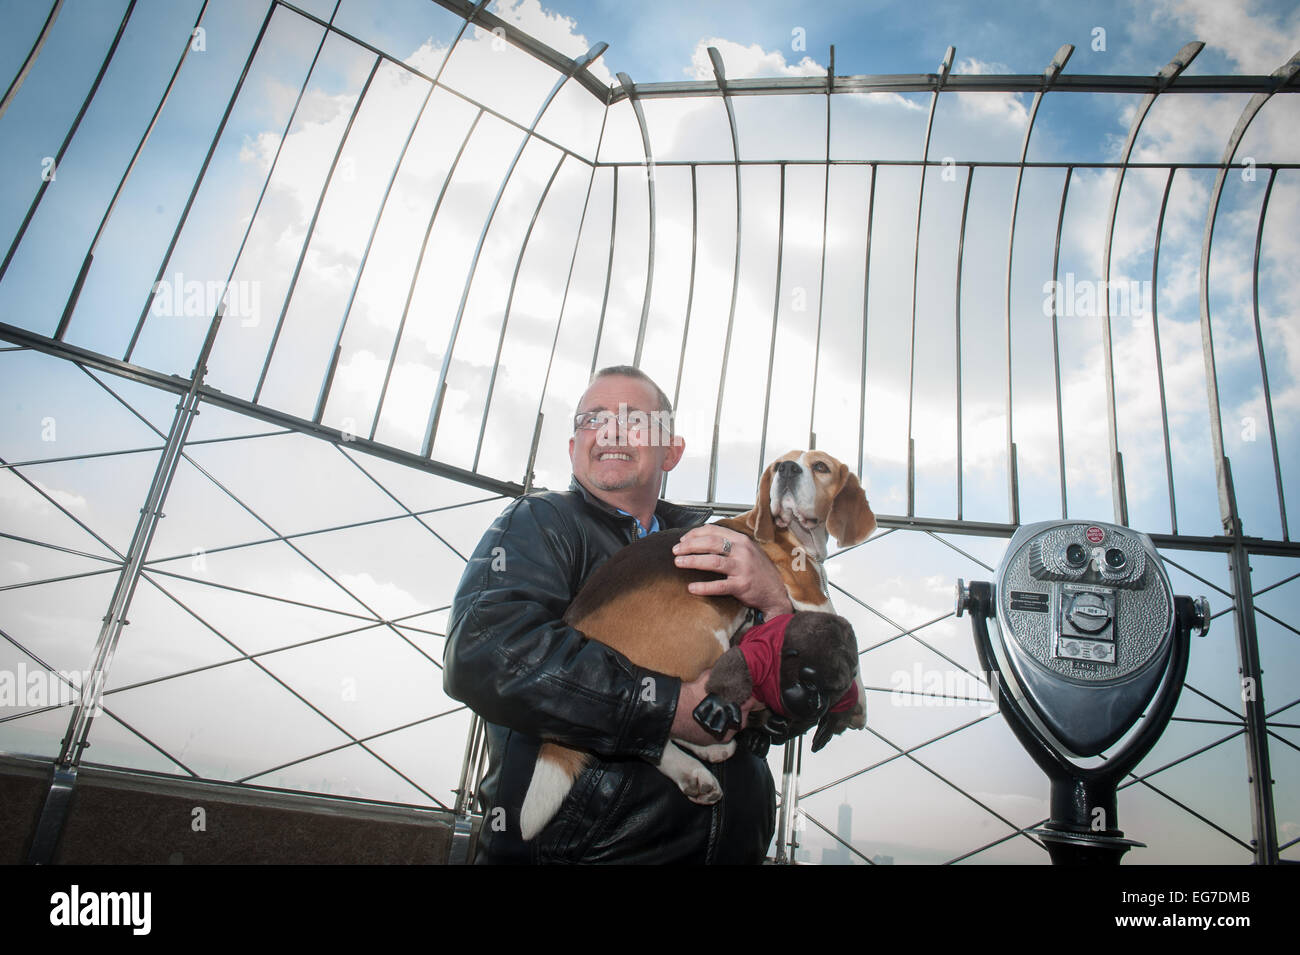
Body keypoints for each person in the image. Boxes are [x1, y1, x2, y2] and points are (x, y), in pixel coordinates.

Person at [443, 365, 794, 863]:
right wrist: (669, 707)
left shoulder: (724, 546)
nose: (608, 431)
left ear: (671, 450)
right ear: (572, 448)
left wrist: (775, 602)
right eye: (592, 419)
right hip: (586, 853)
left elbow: (792, 710)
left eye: (634, 420)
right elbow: (483, 652)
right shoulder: (540, 523)